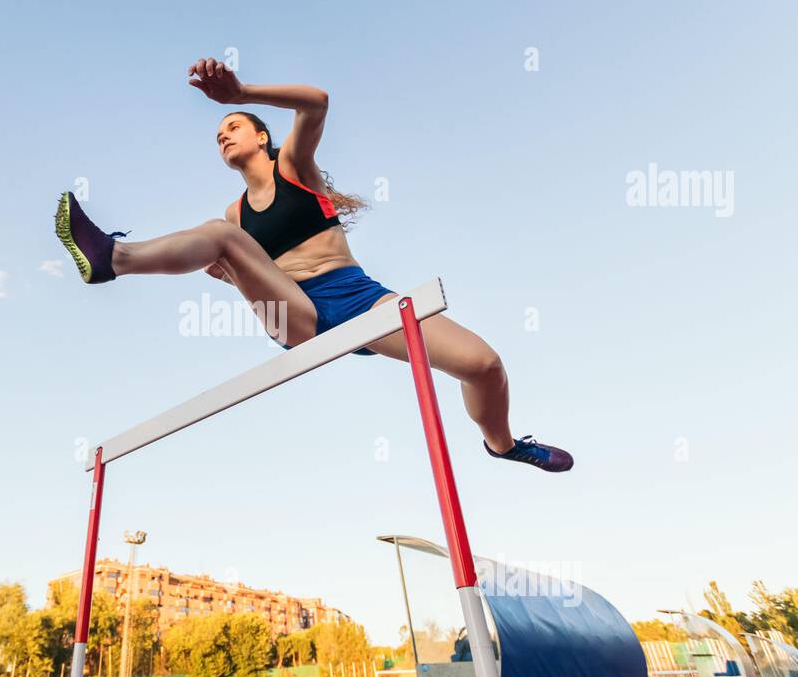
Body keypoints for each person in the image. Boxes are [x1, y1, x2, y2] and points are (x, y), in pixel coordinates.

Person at [54, 57, 572, 472]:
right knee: (219, 236)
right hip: (293, 313)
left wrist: (241, 94)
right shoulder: (234, 216)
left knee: (483, 365)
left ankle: (502, 446)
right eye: (217, 137)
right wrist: (234, 272)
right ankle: (112, 259)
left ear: (262, 136)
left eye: (233, 126)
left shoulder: (294, 168)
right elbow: (234, 260)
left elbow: (317, 102)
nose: (224, 136)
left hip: (357, 295)